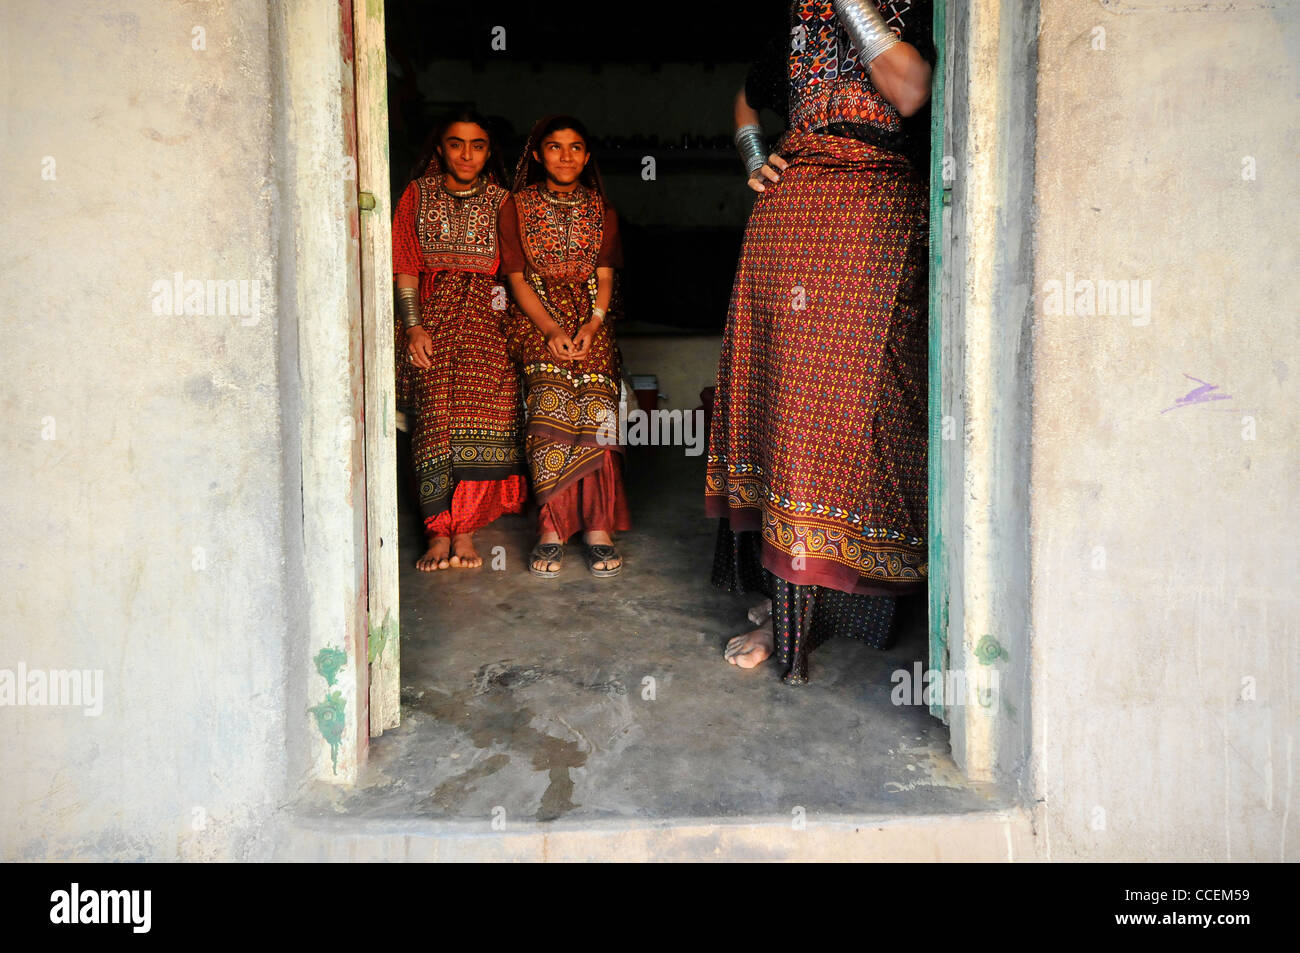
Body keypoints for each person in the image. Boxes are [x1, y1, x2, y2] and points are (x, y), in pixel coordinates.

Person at [708, 0, 936, 683]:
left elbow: (910, 92)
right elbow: (746, 100)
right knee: (788, 409)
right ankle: (788, 606)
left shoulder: (918, 7)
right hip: (794, 214)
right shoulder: (793, 19)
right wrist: (754, 157)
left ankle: (842, 603)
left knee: (866, 411)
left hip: (876, 213)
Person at [392, 109, 526, 571]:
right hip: (429, 317)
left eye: (478, 145)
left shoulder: (503, 200)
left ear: (489, 152)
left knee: (481, 421)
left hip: (487, 320)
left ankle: (465, 530)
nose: (466, 154)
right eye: (456, 143)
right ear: (440, 148)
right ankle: (436, 531)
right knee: (433, 424)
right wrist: (413, 325)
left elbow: (513, 272)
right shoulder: (417, 194)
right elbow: (406, 264)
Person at [498, 115, 630, 578]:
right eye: (555, 147)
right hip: (535, 315)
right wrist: (551, 329)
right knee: (550, 403)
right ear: (537, 155)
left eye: (576, 147)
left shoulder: (603, 210)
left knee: (596, 406)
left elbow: (606, 277)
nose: (566, 156)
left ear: (587, 156)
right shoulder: (515, 206)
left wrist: (593, 325)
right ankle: (551, 529)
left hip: (591, 316)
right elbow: (515, 279)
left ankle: (598, 528)